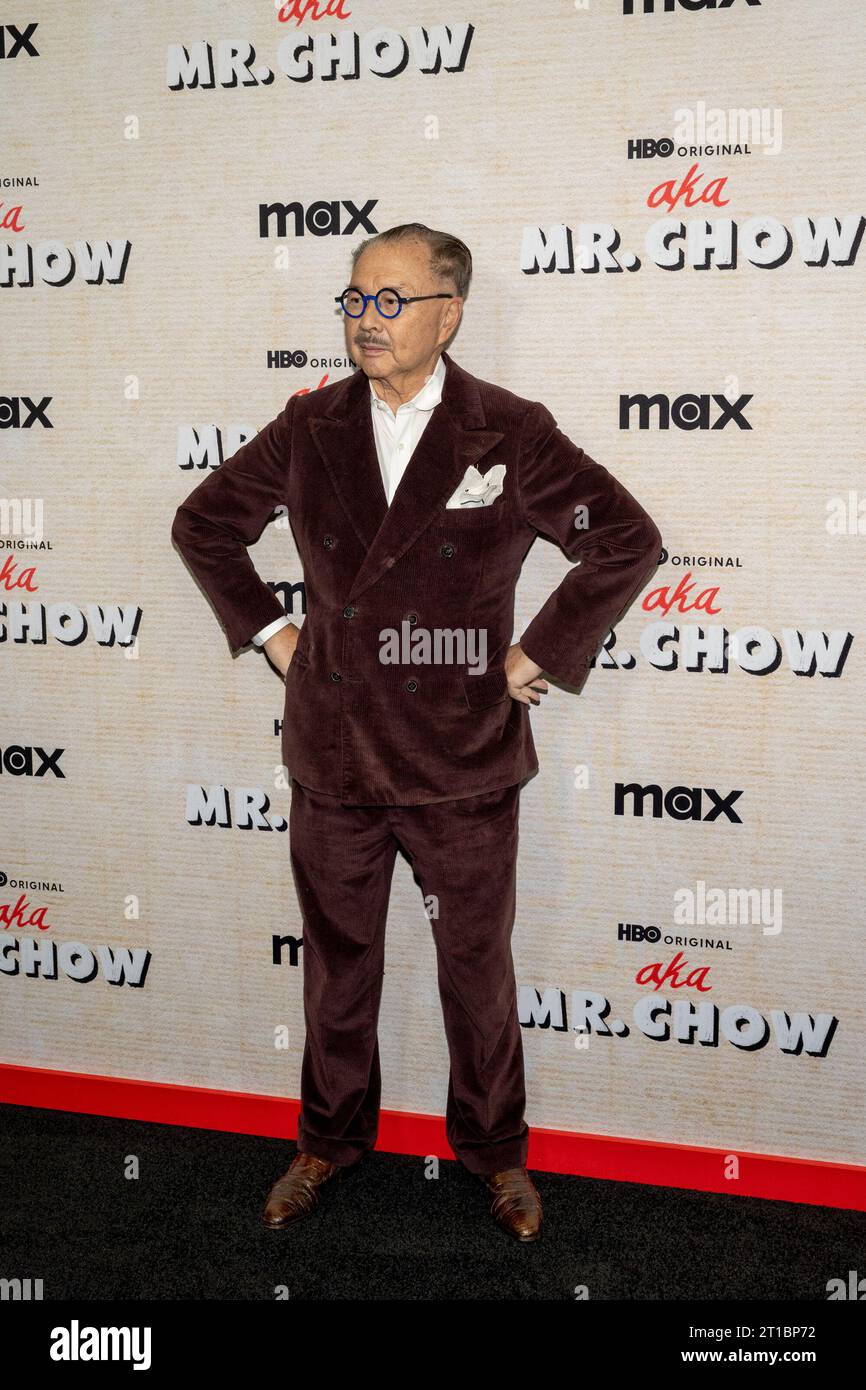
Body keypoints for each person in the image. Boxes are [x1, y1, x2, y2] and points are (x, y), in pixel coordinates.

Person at [171, 222, 662, 1242]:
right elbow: (203, 522)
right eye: (353, 298)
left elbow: (625, 540)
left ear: (449, 311)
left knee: (474, 974)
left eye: (390, 299)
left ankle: (494, 1153)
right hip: (334, 750)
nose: (365, 319)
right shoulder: (308, 426)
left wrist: (533, 655)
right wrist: (273, 633)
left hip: (460, 760)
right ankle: (327, 1137)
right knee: (336, 966)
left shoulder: (508, 429)